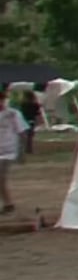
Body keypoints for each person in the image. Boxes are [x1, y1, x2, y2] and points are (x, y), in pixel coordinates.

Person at [0, 87, 31, 215]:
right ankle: (8, 203)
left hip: (8, 150)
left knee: (1, 176)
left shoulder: (13, 114)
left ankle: (9, 204)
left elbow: (22, 132)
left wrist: (22, 152)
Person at [19, 90, 40, 155]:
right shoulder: (36, 105)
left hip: (24, 121)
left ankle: (22, 149)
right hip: (31, 121)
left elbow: (21, 113)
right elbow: (37, 114)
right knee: (30, 136)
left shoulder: (23, 104)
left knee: (24, 136)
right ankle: (29, 149)